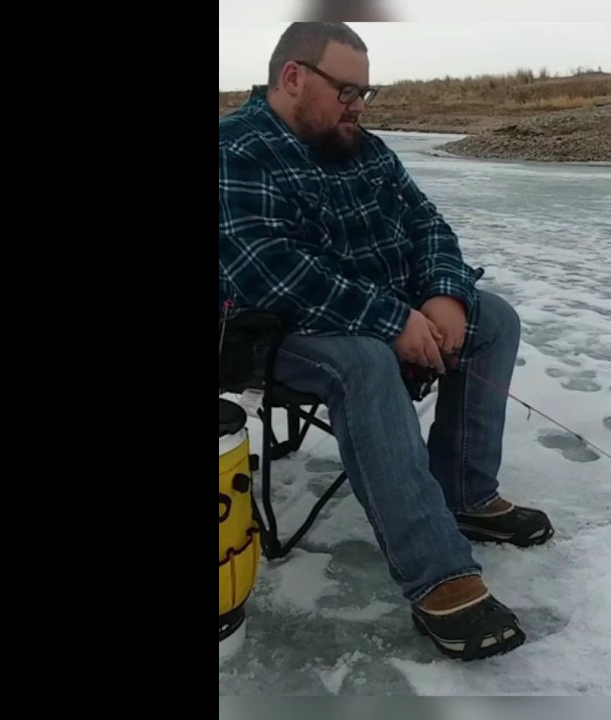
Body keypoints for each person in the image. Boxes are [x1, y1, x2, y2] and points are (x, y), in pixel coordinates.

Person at [219, 22, 554, 661]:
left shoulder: (365, 150)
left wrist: (444, 297)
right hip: (266, 332)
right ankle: (438, 575)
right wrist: (393, 321)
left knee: (493, 319)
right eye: (347, 90)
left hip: (378, 311)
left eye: (366, 93)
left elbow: (428, 226)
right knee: (367, 360)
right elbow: (271, 272)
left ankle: (465, 493)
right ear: (293, 77)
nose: (359, 106)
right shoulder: (235, 148)